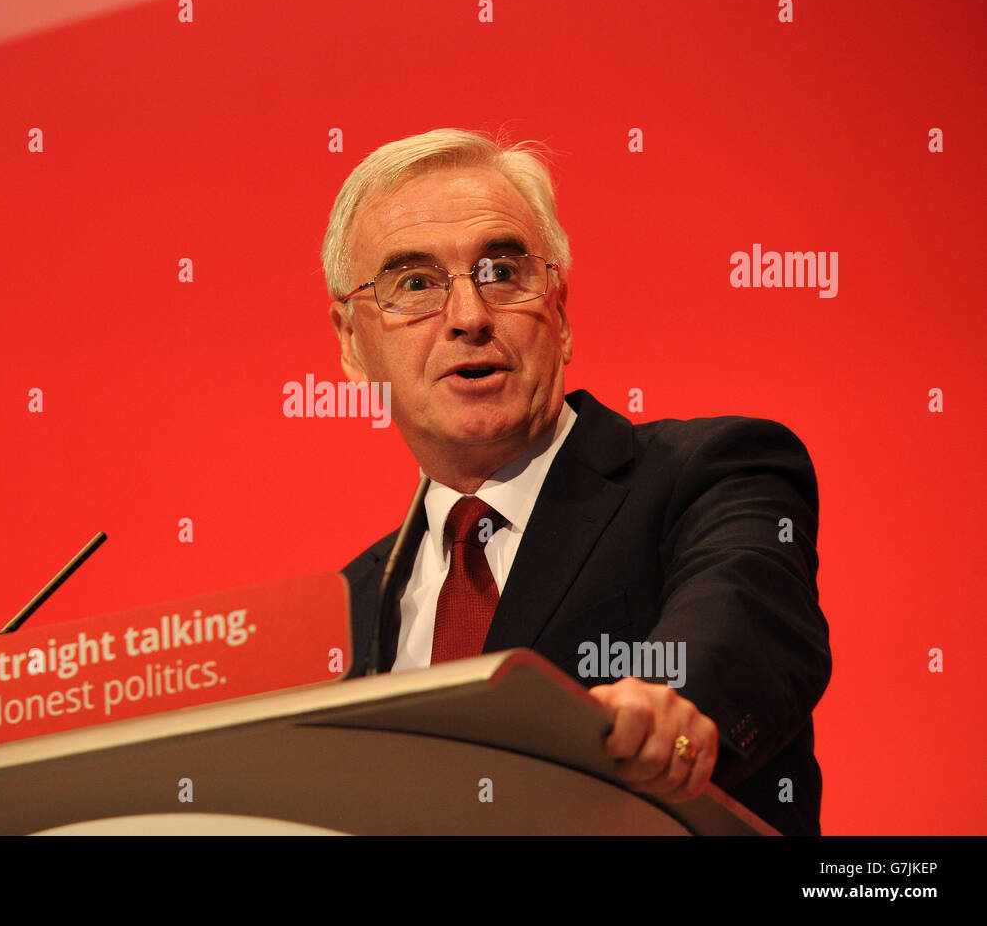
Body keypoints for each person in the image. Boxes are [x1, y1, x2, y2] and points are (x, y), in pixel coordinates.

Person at [324, 128, 831, 835]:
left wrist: (673, 707)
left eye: (502, 271)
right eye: (415, 284)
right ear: (351, 342)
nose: (469, 317)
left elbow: (743, 617)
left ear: (559, 314)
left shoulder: (711, 473)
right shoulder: (346, 610)